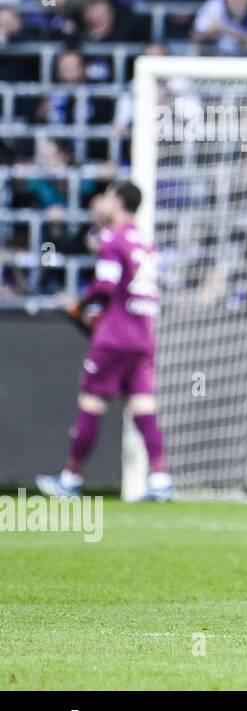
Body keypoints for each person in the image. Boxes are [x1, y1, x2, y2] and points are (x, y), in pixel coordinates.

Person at [36, 181, 174, 502]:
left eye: (109, 197)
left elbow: (106, 287)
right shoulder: (146, 242)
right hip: (142, 335)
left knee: (92, 404)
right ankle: (160, 478)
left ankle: (70, 480)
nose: (103, 202)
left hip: (114, 336)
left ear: (119, 202)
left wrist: (79, 306)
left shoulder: (113, 240)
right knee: (143, 406)